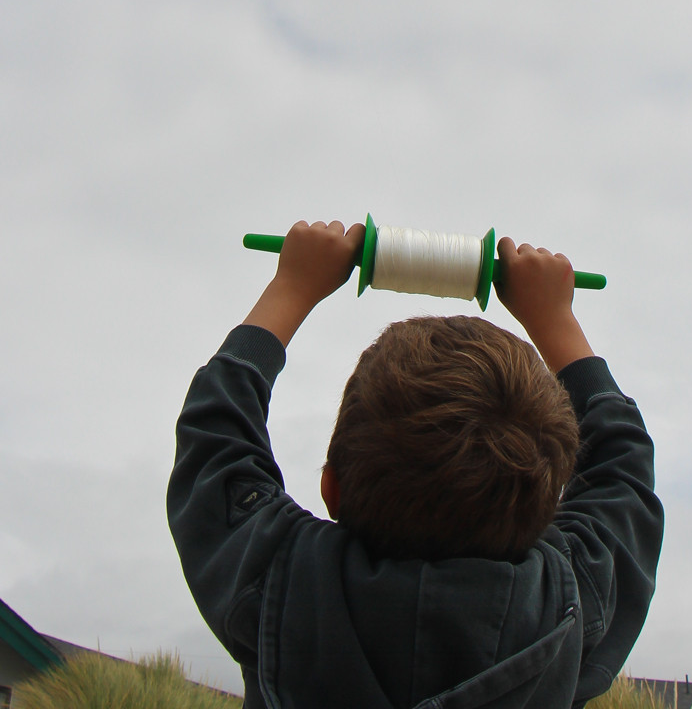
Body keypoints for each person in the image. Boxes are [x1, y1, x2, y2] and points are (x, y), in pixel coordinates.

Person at [167, 220, 664, 709]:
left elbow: (216, 439)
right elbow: (624, 467)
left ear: (331, 488)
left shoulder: (281, 581)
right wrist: (556, 321)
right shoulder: (575, 603)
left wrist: (291, 287)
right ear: (545, 507)